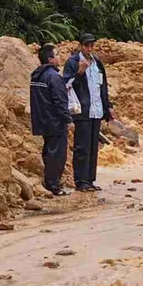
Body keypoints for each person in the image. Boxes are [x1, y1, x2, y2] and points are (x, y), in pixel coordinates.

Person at [63, 33, 113, 193]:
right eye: (86, 45)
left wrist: (108, 106)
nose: (89, 48)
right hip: (82, 111)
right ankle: (81, 181)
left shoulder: (97, 62)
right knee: (81, 147)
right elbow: (67, 85)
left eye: (91, 45)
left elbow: (102, 86)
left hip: (96, 110)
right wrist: (80, 72)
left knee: (92, 148)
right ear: (80, 45)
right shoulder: (72, 62)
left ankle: (90, 179)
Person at [30, 44, 72, 196]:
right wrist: (68, 119)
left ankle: (50, 182)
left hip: (42, 121)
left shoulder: (36, 75)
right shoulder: (54, 77)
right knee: (57, 155)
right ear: (50, 59)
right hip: (55, 122)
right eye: (57, 54)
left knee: (48, 152)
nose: (60, 57)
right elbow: (59, 101)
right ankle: (53, 186)